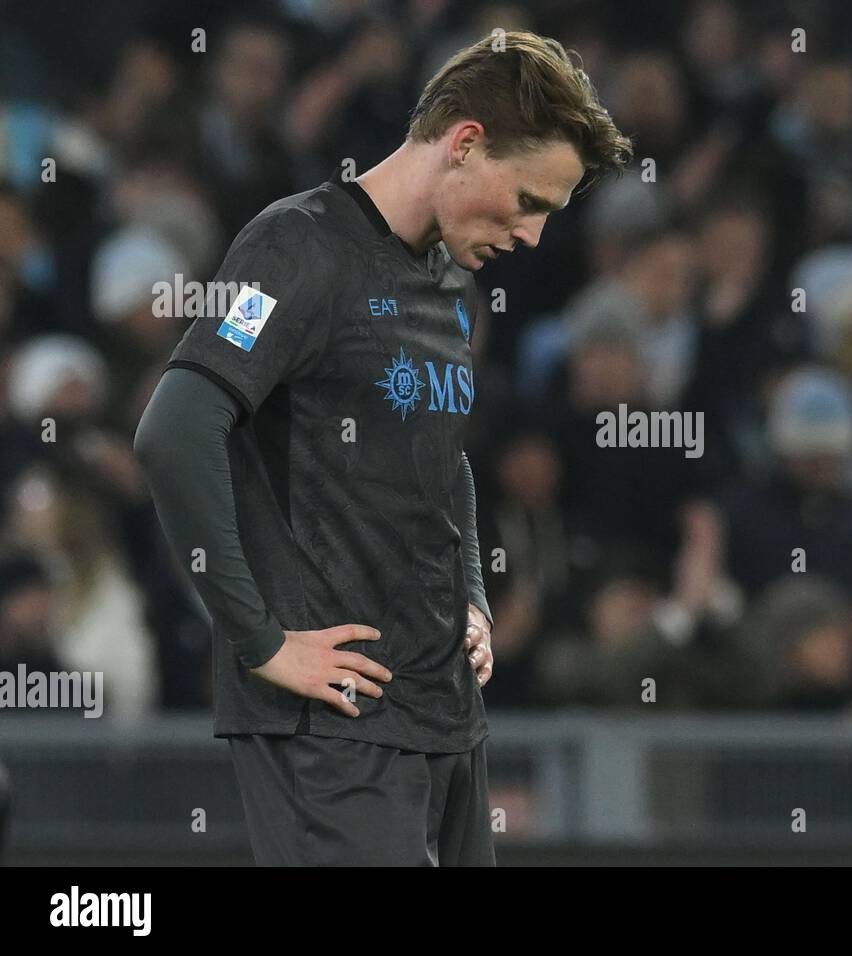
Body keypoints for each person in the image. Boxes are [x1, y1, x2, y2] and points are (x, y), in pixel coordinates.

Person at [134, 31, 631, 865]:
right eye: (529, 200)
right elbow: (176, 430)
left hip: (445, 715)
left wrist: (472, 593)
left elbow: (447, 458)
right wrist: (258, 639)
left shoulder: (451, 283)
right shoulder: (297, 246)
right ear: (466, 144)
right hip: (333, 720)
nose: (535, 236)